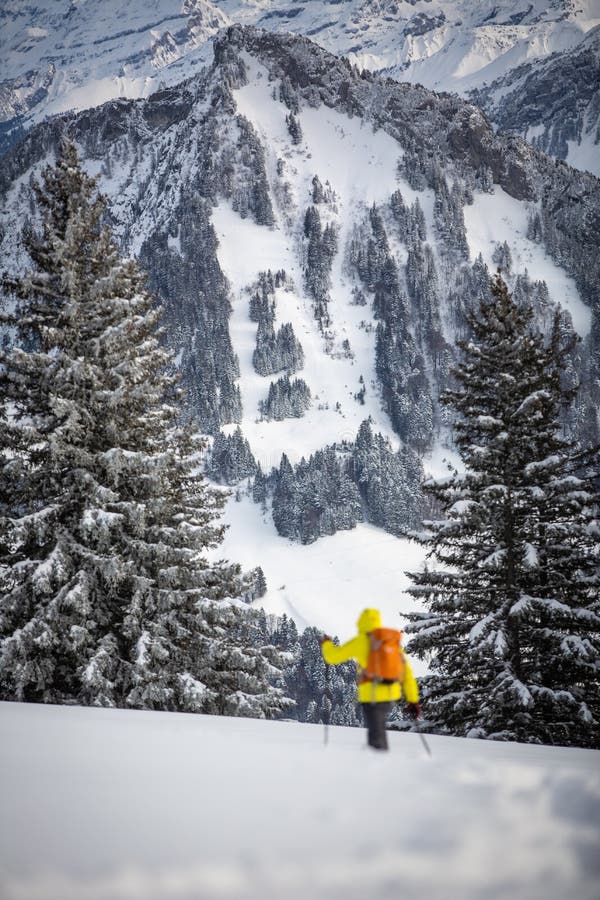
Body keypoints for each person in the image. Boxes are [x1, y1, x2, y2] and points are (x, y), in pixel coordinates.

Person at [320, 608, 421, 751]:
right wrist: (413, 700)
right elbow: (407, 674)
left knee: (376, 738)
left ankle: (378, 762)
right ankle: (380, 759)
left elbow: (333, 657)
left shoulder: (362, 641)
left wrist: (326, 644)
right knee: (379, 731)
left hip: (371, 695)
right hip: (391, 695)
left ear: (361, 623)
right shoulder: (391, 642)